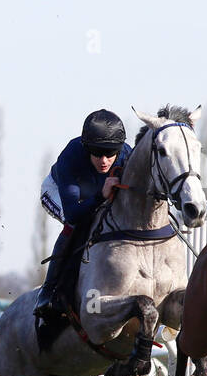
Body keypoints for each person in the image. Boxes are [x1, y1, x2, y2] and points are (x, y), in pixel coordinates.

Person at [34, 109, 133, 319]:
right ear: (87, 148)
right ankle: (48, 291)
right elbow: (72, 213)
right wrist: (100, 196)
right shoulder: (71, 155)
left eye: (110, 154)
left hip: (96, 194)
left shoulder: (128, 155)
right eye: (97, 154)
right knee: (78, 225)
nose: (104, 161)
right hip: (57, 193)